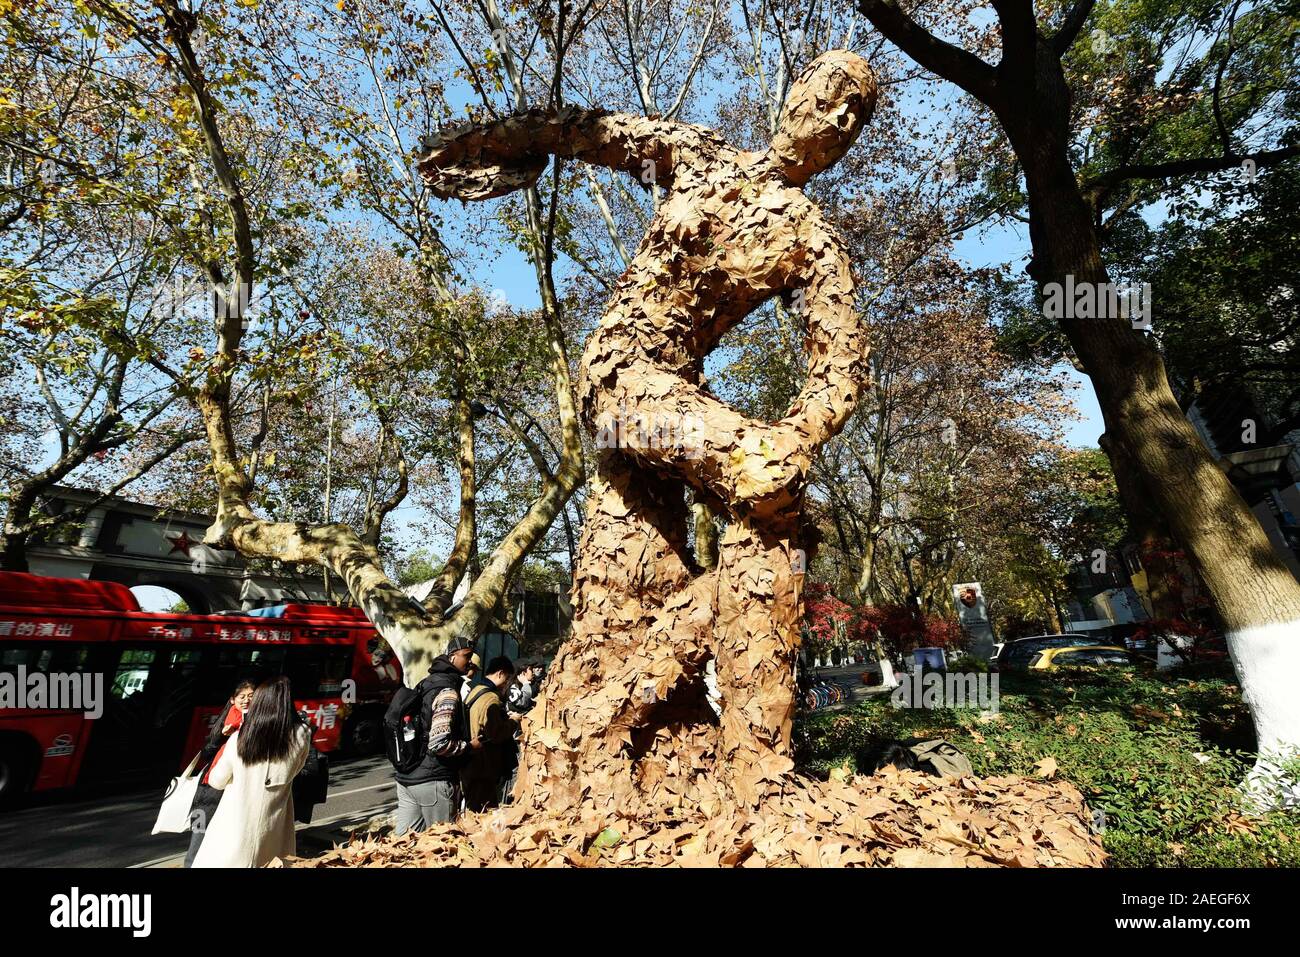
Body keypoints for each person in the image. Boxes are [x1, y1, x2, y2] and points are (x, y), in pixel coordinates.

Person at [192, 676, 311, 868]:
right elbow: (296, 769)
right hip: (274, 829)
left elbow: (217, 781)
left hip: (233, 830)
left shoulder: (239, 739)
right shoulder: (302, 735)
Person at [394, 638, 477, 834]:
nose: (470, 661)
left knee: (406, 847)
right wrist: (470, 746)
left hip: (407, 779)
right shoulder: (447, 691)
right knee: (442, 846)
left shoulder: (426, 683)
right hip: (433, 782)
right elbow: (439, 743)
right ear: (452, 657)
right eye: (466, 656)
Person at [184, 679, 254, 868]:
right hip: (209, 785)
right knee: (200, 829)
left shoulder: (255, 722)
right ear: (232, 699)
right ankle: (190, 864)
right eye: (242, 696)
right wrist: (222, 736)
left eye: (251, 696)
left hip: (233, 786)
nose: (246, 700)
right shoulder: (225, 719)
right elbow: (206, 752)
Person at [462, 656, 518, 812]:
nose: (507, 684)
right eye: (507, 678)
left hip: (470, 764)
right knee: (485, 812)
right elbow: (496, 733)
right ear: (500, 673)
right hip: (484, 765)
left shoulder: (476, 690)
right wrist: (513, 721)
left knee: (473, 808)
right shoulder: (491, 699)